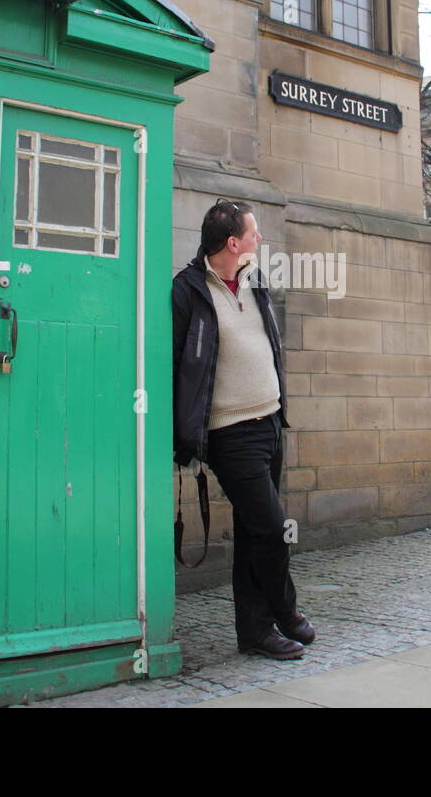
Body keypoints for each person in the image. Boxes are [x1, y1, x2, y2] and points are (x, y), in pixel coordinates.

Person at [172, 199, 312, 659]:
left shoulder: (255, 284)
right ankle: (284, 611)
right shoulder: (189, 290)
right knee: (272, 529)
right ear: (233, 242)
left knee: (256, 532)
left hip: (270, 422)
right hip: (229, 432)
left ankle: (255, 633)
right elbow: (176, 364)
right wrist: (184, 436)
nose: (259, 240)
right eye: (254, 234)